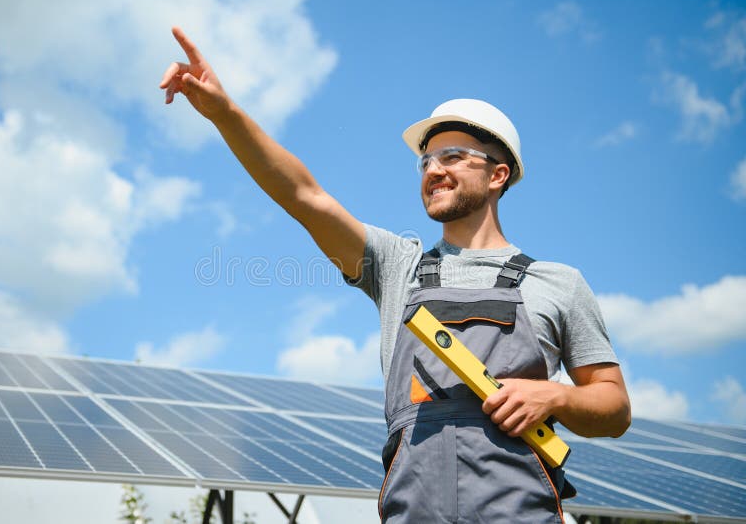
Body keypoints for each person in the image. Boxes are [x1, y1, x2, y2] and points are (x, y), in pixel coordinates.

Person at [161, 26, 631, 523]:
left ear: (498, 175)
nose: (432, 170)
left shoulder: (558, 283)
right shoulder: (395, 266)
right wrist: (224, 114)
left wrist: (554, 394)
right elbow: (304, 196)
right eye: (426, 161)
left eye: (452, 156)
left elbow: (614, 407)